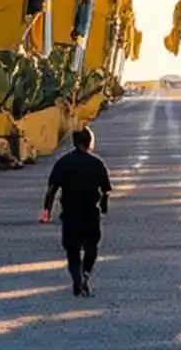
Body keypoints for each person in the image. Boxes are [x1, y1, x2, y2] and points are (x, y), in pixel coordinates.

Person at [40, 126, 112, 296]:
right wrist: (104, 207)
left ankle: (76, 278)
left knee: (72, 251)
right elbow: (106, 190)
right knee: (91, 247)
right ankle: (85, 273)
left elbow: (52, 189)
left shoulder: (63, 162)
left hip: (70, 214)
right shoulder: (97, 163)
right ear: (89, 142)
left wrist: (47, 211)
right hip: (90, 214)